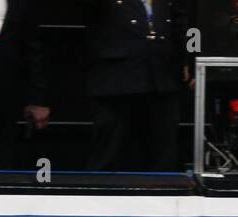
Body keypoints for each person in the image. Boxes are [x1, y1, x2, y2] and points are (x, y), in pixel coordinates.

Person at [78, 0, 188, 171]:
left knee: (162, 153)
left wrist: (189, 61)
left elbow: (181, 27)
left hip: (161, 78)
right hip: (116, 81)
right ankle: (102, 193)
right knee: (110, 151)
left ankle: (161, 193)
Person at [0, 0, 49, 169]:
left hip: (4, 96)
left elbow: (32, 50)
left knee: (3, 158)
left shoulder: (21, 3)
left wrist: (37, 100)